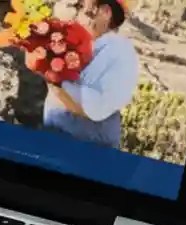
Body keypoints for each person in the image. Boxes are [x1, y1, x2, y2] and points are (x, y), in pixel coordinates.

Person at [42, 0, 139, 148]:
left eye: (83, 9)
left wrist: (59, 90)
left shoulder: (116, 55)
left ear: (105, 12)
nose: (78, 17)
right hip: (58, 136)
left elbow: (96, 109)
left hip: (89, 147)